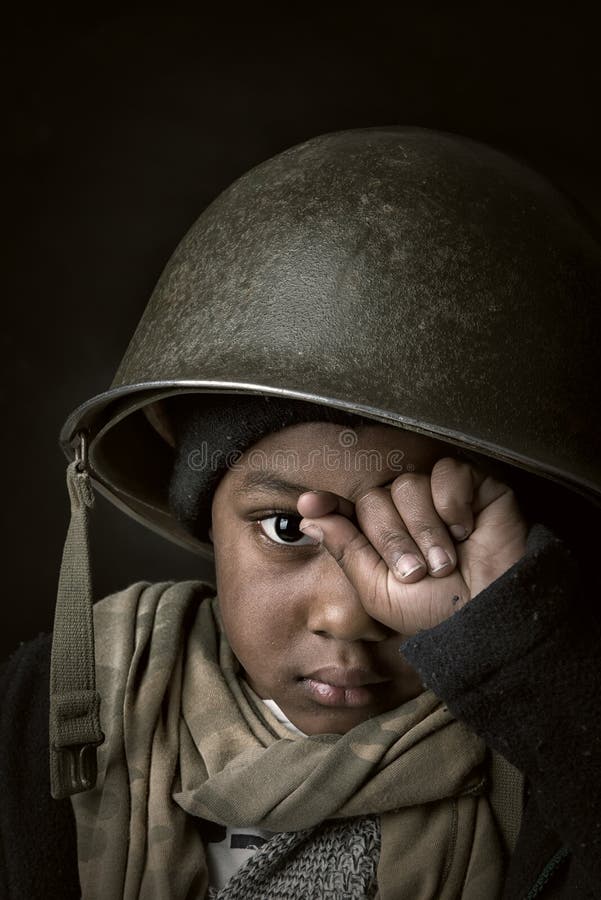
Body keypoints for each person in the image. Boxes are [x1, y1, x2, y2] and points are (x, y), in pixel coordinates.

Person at [1, 127, 600, 899]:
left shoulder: (551, 735)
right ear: (206, 522)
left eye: (433, 537)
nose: (350, 613)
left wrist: (513, 645)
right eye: (287, 529)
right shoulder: (49, 708)